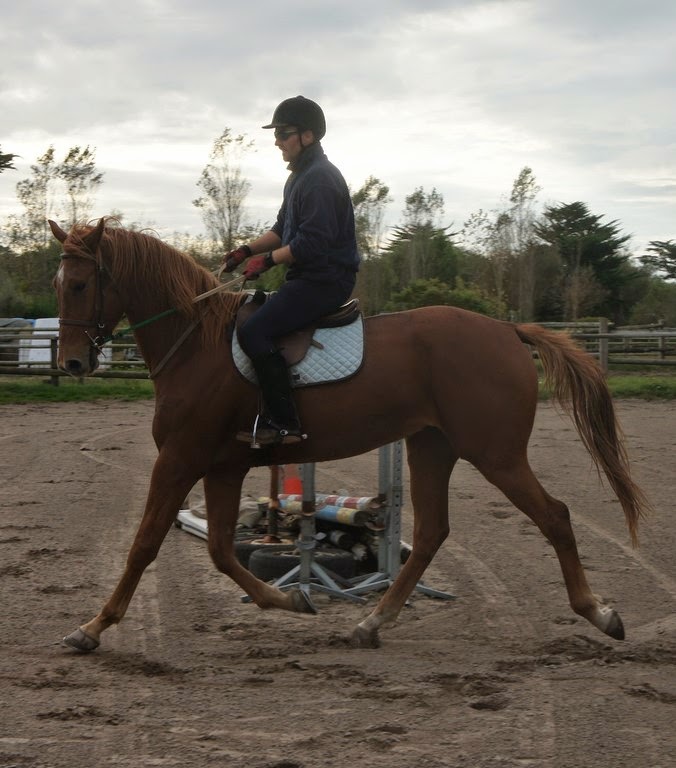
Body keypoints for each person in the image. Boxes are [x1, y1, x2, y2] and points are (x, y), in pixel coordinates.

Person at [223, 95, 360, 446]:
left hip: (326, 280)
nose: (277, 141)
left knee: (254, 332)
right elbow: (282, 230)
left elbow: (312, 243)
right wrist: (245, 251)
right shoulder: (299, 178)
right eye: (277, 134)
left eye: (284, 133)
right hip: (307, 278)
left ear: (308, 136)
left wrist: (267, 262)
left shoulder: (320, 179)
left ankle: (285, 422)